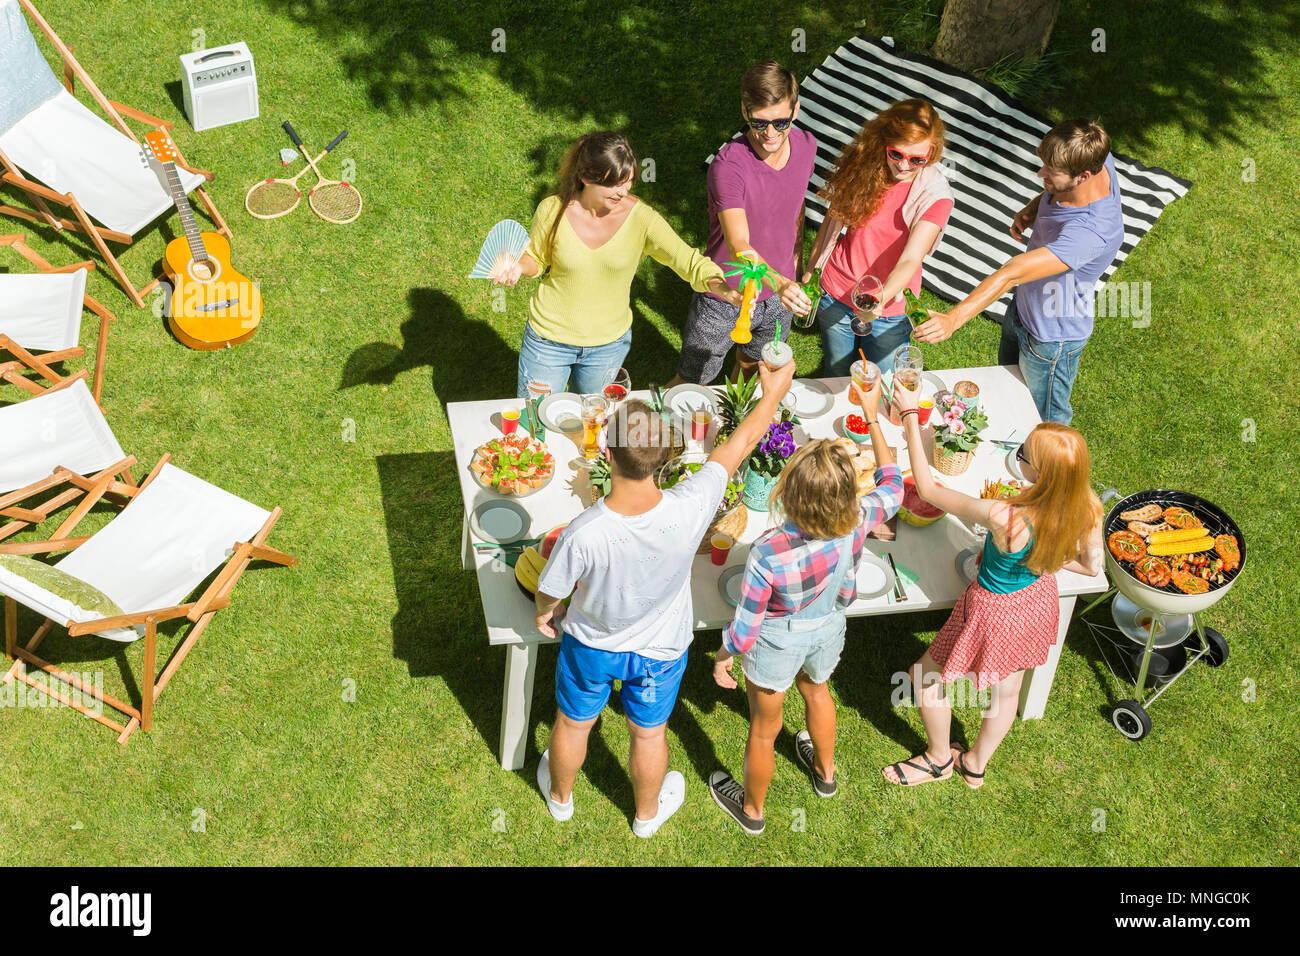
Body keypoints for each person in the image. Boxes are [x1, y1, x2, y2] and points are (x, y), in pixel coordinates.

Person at [533, 359, 797, 837]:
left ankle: (561, 799)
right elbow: (741, 443)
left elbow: (550, 590)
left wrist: (546, 613)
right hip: (660, 652)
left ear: (607, 456)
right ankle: (646, 817)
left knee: (572, 726)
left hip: (590, 646)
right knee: (648, 733)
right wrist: (773, 392)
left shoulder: (584, 531)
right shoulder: (693, 501)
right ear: (666, 461)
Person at [881, 378, 1103, 787]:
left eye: (1022, 454)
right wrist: (1046, 557)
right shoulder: (1088, 508)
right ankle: (975, 765)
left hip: (992, 609)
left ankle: (938, 759)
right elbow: (1091, 568)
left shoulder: (1007, 517)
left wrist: (910, 414)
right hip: (1036, 604)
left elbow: (928, 488)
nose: (1019, 459)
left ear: (1039, 472)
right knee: (1007, 691)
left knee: (925, 678)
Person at [709, 378, 903, 834]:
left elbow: (745, 629)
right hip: (828, 629)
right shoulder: (857, 519)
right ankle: (825, 775)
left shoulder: (768, 552)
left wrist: (722, 659)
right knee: (817, 692)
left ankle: (753, 811)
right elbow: (893, 482)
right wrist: (874, 416)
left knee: (763, 729)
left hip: (777, 643)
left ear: (790, 491)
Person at [493, 131, 739, 399]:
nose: (624, 191)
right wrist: (518, 267)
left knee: (592, 422)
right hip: (548, 340)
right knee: (536, 423)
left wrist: (721, 287)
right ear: (586, 177)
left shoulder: (641, 219)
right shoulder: (553, 209)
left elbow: (689, 262)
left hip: (607, 347)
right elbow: (537, 258)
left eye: (629, 181)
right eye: (614, 185)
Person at [913, 119, 1125, 425]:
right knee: (1008, 390)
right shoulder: (1095, 155)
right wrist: (1034, 207)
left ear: (1084, 176)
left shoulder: (1092, 233)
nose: (1040, 175)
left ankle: (1049, 472)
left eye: (1050, 174)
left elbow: (1011, 273)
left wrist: (953, 318)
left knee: (1047, 419)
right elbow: (1059, 190)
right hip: (1024, 309)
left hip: (1051, 338)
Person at [670, 61, 815, 388]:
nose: (770, 134)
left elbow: (796, 207)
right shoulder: (728, 166)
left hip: (778, 296)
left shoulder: (807, 146)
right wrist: (780, 282)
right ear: (743, 110)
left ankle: (731, 427)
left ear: (796, 109)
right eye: (758, 122)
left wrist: (795, 265)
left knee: (752, 365)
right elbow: (738, 244)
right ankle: (644, 434)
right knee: (692, 381)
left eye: (781, 122)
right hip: (726, 292)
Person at [803, 99, 953, 377]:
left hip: (890, 308)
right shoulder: (865, 165)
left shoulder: (936, 196)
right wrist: (811, 270)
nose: (904, 166)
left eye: (917, 159)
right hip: (836, 292)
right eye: (896, 154)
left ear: (932, 154)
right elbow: (833, 221)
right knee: (837, 374)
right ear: (884, 140)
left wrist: (878, 300)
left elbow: (910, 259)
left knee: (882, 381)